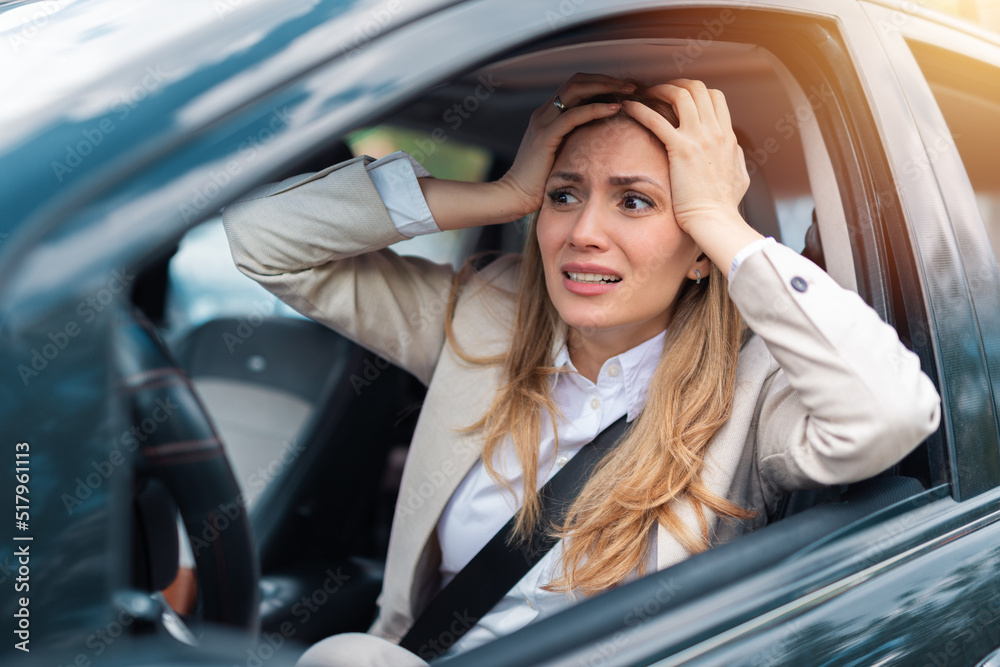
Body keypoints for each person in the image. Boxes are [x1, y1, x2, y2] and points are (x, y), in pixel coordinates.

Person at [222, 74, 940, 665]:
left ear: (699, 248)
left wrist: (720, 222)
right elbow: (261, 239)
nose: (583, 232)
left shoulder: (756, 391)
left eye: (635, 201)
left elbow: (893, 411)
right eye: (564, 194)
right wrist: (505, 194)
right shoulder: (484, 316)